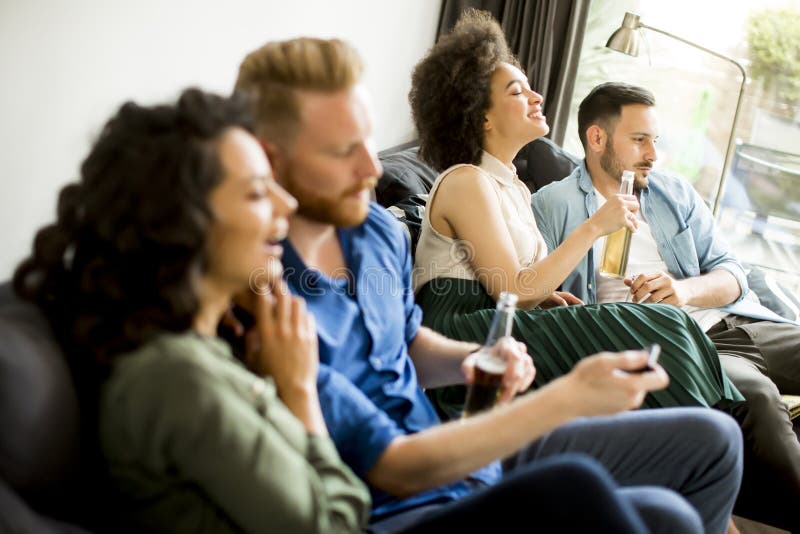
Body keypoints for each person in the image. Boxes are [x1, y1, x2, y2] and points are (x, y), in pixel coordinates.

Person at [234, 31, 743, 534]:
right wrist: (566, 396)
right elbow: (382, 458)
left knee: (681, 496)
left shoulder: (378, 235)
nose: (372, 167)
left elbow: (407, 339)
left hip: (447, 440)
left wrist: (467, 360)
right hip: (406, 486)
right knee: (581, 478)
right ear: (272, 158)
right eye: (342, 149)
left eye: (367, 142)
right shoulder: (268, 289)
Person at [12, 89, 372, 533]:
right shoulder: (176, 376)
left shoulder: (202, 351)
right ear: (183, 222)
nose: (288, 203)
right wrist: (298, 389)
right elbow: (336, 526)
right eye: (258, 194)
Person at [407, 9, 742, 422]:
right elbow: (513, 289)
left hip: (499, 320)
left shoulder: (512, 186)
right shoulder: (465, 181)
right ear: (482, 116)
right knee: (662, 325)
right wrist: (594, 227)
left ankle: (710, 424)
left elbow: (519, 284)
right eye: (517, 92)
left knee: (671, 322)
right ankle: (710, 426)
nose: (536, 98)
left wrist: (547, 296)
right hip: (464, 336)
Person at [532, 81, 800, 531]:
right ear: (596, 138)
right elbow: (543, 299)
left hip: (736, 320)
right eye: (639, 140)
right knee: (756, 398)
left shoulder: (673, 192)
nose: (653, 154)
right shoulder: (552, 206)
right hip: (686, 348)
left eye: (655, 140)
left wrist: (684, 290)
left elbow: (732, 272)